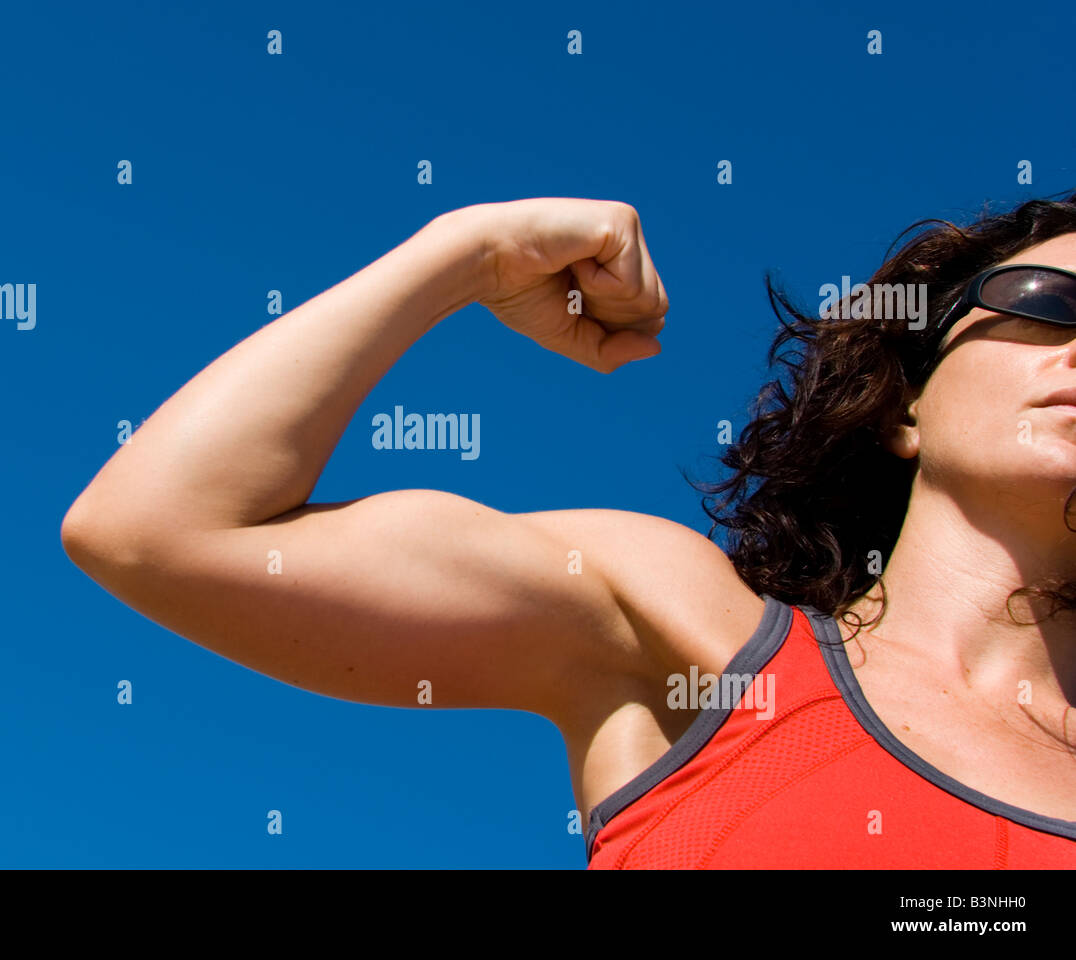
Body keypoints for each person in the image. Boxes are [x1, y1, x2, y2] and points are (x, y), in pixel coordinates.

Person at [60, 195, 1076, 867]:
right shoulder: (688, 633)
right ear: (905, 407)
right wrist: (468, 253)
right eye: (1047, 302)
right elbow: (161, 530)